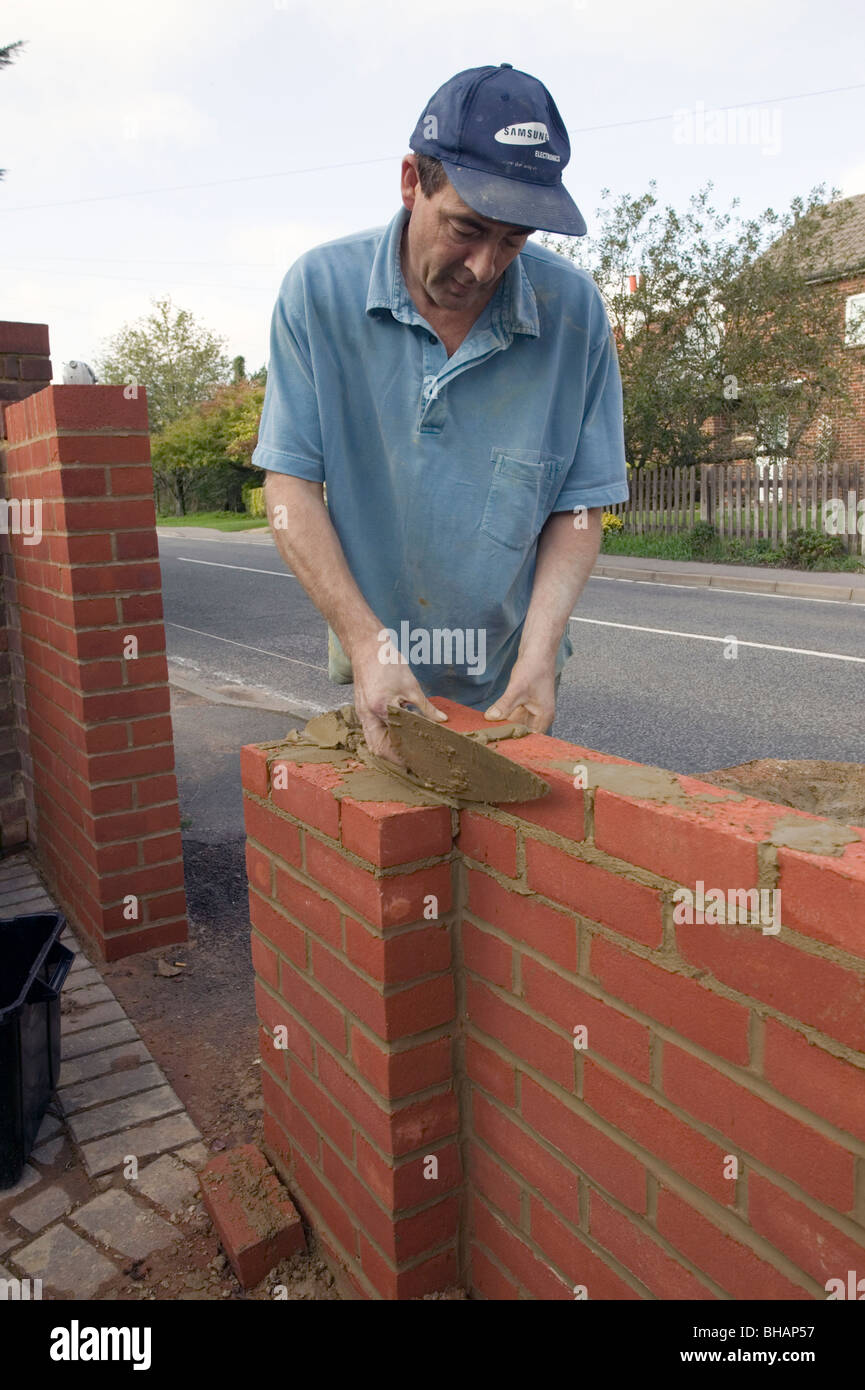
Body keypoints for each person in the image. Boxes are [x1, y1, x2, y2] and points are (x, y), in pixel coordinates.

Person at [253, 63, 628, 764]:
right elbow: (290, 485)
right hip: (381, 655)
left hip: (510, 672)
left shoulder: (573, 314)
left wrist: (540, 656)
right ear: (410, 182)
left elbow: (578, 506)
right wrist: (367, 645)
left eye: (514, 240)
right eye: (466, 227)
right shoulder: (318, 291)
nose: (485, 266)